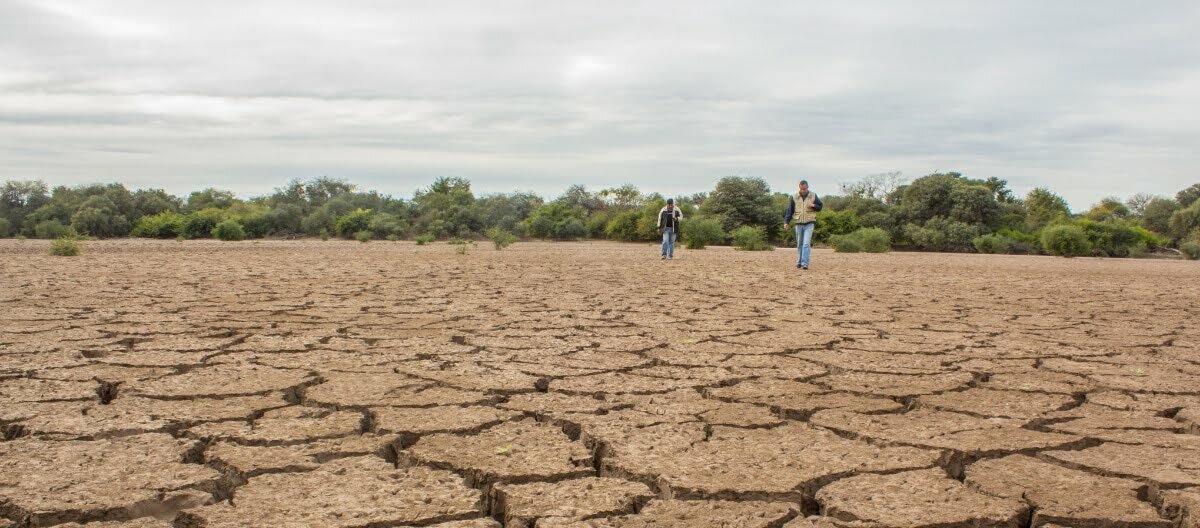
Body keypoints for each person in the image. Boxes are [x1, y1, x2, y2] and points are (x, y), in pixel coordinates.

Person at [783, 180, 823, 270]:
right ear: (799, 187)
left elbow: (820, 207)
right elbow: (790, 210)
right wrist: (786, 222)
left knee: (806, 244)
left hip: (810, 223)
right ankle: (799, 262)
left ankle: (805, 263)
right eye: (801, 189)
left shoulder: (813, 195)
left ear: (807, 187)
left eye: (804, 189)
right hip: (798, 223)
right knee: (799, 244)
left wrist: (813, 205)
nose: (803, 191)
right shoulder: (794, 197)